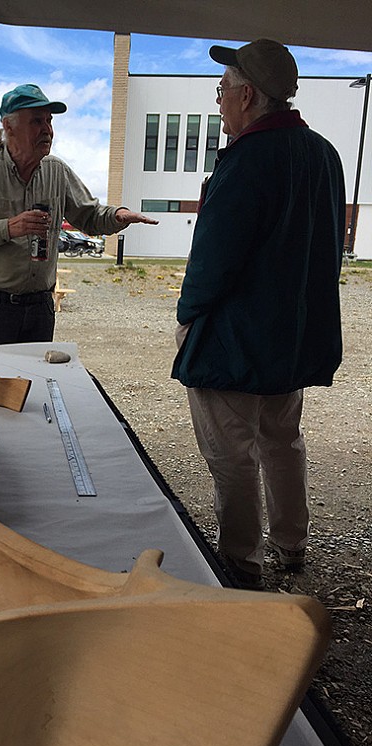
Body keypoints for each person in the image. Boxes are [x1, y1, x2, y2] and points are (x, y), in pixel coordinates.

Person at [171, 39, 345, 591]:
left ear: (247, 96)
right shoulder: (324, 154)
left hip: (234, 342)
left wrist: (187, 316)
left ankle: (241, 564)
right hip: (290, 338)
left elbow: (213, 259)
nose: (219, 100)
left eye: (222, 90)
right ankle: (291, 543)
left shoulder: (246, 160)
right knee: (282, 439)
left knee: (233, 455)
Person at [0, 83, 157, 347]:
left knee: (38, 375)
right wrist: (9, 227)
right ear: (8, 126)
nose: (47, 129)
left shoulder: (57, 171)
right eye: (36, 121)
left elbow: (89, 215)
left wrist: (117, 215)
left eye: (49, 121)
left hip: (41, 307)